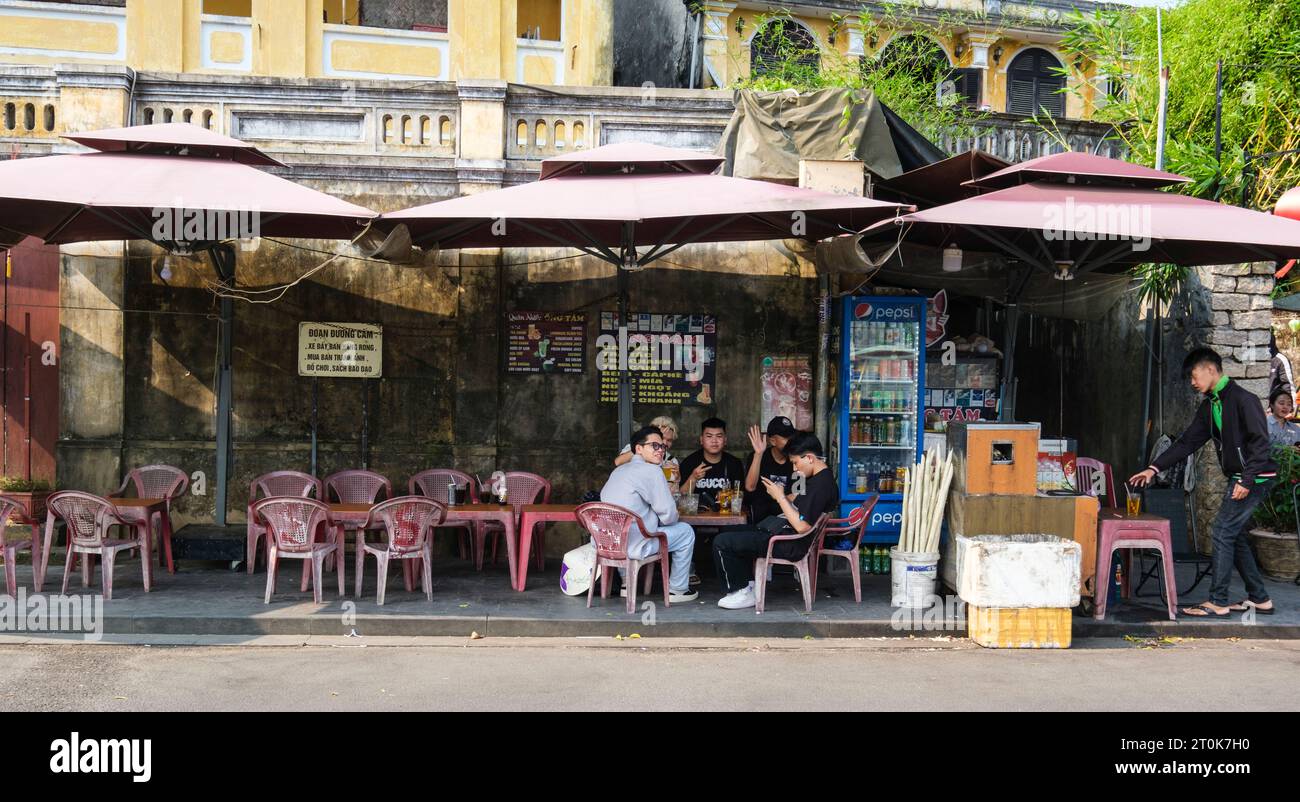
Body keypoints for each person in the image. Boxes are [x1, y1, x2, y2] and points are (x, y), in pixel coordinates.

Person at [1129, 347, 1277, 617]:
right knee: (1235, 535)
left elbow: (1260, 442)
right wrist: (1154, 468)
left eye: (1194, 376)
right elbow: (1187, 442)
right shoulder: (1211, 405)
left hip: (1255, 477)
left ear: (1210, 370)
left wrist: (1246, 479)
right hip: (1241, 477)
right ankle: (1260, 598)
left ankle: (1218, 601)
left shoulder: (1245, 399)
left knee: (1221, 531)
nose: (1192, 383)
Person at [713, 432, 839, 610]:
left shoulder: (820, 485)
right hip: (781, 529)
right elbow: (796, 499)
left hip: (789, 543)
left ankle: (740, 591)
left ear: (810, 458)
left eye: (795, 463)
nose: (794, 469)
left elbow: (802, 526)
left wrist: (780, 497)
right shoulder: (814, 477)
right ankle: (748, 585)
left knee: (722, 542)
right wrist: (782, 495)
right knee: (726, 531)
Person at [600, 426, 698, 602]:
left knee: (625, 530)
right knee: (685, 531)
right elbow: (668, 516)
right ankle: (678, 590)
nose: (660, 450)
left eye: (663, 446)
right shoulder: (652, 471)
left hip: (607, 544)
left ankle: (626, 583)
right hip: (635, 546)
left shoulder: (618, 471)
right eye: (654, 445)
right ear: (638, 449)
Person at [678, 417, 746, 510]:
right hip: (696, 518)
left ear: (725, 440)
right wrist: (693, 478)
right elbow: (680, 498)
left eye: (719, 436)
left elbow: (740, 497)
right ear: (701, 440)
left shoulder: (734, 464)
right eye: (709, 436)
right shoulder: (689, 462)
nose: (714, 441)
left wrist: (727, 496)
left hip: (726, 516)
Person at [744, 416, 796, 524]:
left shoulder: (797, 460)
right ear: (773, 441)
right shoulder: (759, 457)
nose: (791, 441)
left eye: (792, 436)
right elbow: (750, 487)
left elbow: (800, 494)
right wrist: (758, 454)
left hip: (789, 520)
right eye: (786, 437)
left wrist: (781, 499)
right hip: (761, 521)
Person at [613, 416, 680, 487]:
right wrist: (641, 448)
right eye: (662, 437)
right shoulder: (636, 447)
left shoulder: (671, 460)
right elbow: (618, 462)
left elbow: (671, 491)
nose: (665, 443)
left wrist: (676, 480)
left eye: (669, 440)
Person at [1269, 333, 1294, 401]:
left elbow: (1287, 385)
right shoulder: (1252, 357)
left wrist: (1290, 407)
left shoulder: (1280, 360)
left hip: (1273, 407)